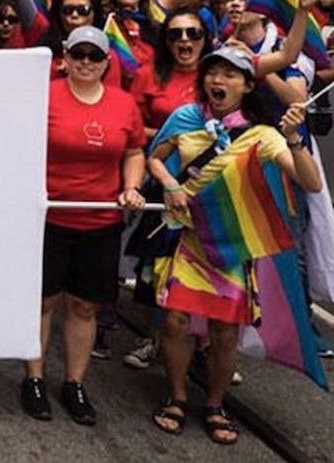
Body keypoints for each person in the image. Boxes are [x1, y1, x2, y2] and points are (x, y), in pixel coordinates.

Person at [147, 47, 324, 445]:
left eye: (231, 75)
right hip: (189, 240)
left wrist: (294, 139)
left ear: (247, 85)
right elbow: (155, 158)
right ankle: (176, 396)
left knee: (225, 332)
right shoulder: (185, 118)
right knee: (174, 322)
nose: (219, 81)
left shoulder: (263, 135)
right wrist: (170, 183)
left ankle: (214, 404)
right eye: (213, 73)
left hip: (231, 248)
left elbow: (310, 182)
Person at [27, 26, 147, 425]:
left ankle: (74, 382)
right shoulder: (44, 95)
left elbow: (133, 151)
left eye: (94, 56)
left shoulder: (123, 103)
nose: (85, 62)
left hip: (100, 219)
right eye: (78, 54)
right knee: (42, 301)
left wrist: (131, 187)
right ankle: (35, 377)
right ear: (65, 56)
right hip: (49, 216)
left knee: (84, 304)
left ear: (106, 62)